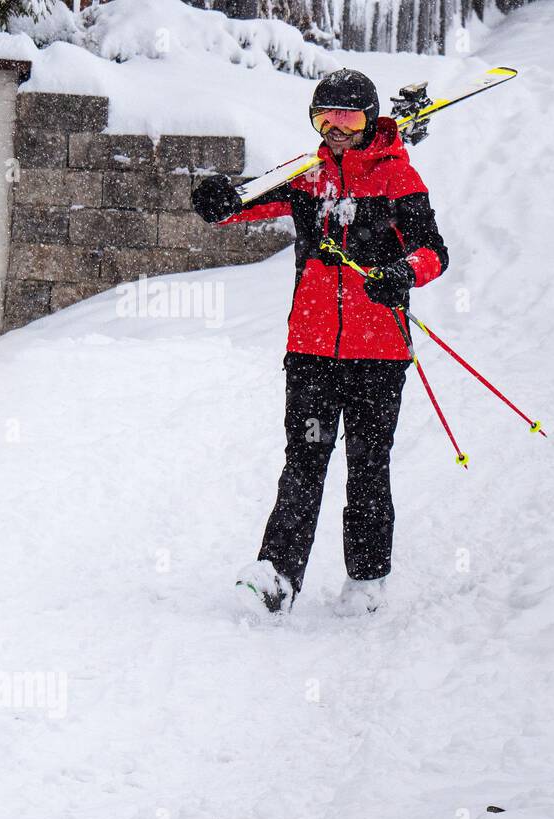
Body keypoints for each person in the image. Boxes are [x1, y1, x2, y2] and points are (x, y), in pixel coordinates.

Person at [191, 68, 449, 615]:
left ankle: (367, 579)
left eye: (348, 117)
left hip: (378, 357)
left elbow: (433, 253)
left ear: (370, 119)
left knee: (367, 464)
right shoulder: (309, 176)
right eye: (324, 116)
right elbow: (243, 205)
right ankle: (276, 576)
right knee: (304, 462)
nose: (335, 128)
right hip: (311, 352)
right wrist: (219, 199)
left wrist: (402, 272)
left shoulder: (398, 178)